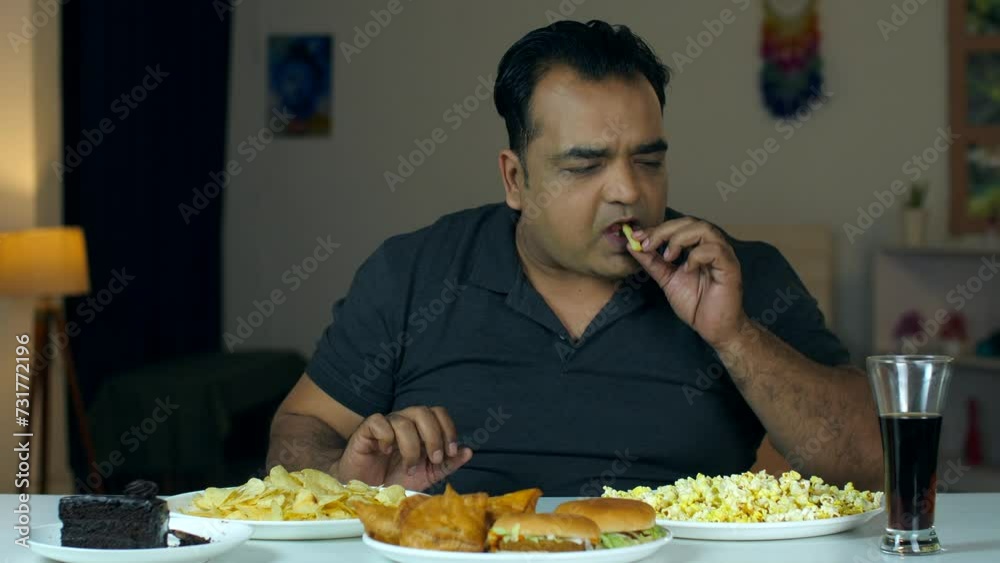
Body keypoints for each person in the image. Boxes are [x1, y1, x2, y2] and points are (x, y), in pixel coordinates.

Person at [266, 20, 882, 496]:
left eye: (648, 161)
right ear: (516, 180)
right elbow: (295, 434)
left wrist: (735, 336)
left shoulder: (741, 275)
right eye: (584, 166)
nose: (628, 192)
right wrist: (340, 472)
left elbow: (873, 463)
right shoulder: (411, 273)